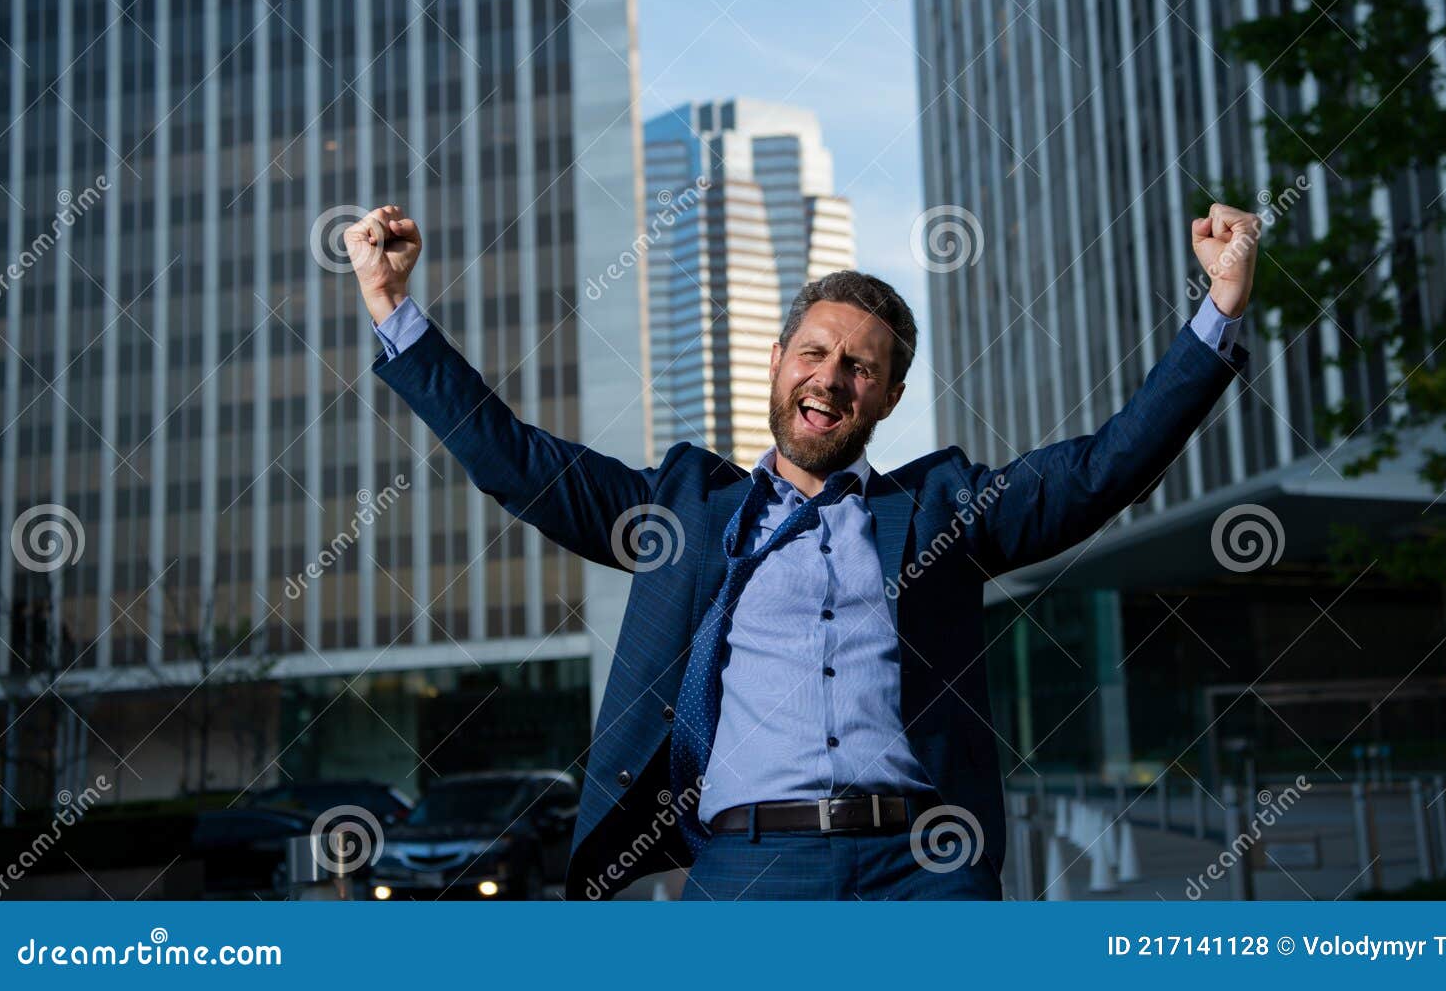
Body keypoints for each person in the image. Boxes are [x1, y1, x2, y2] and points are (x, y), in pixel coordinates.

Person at [346, 200, 1260, 899]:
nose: (831, 377)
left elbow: (1104, 467)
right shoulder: (688, 512)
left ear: (890, 396)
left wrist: (1219, 306)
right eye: (815, 351)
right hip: (751, 868)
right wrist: (392, 305)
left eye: (860, 366)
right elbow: (517, 461)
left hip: (925, 868)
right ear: (779, 358)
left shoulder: (941, 509)